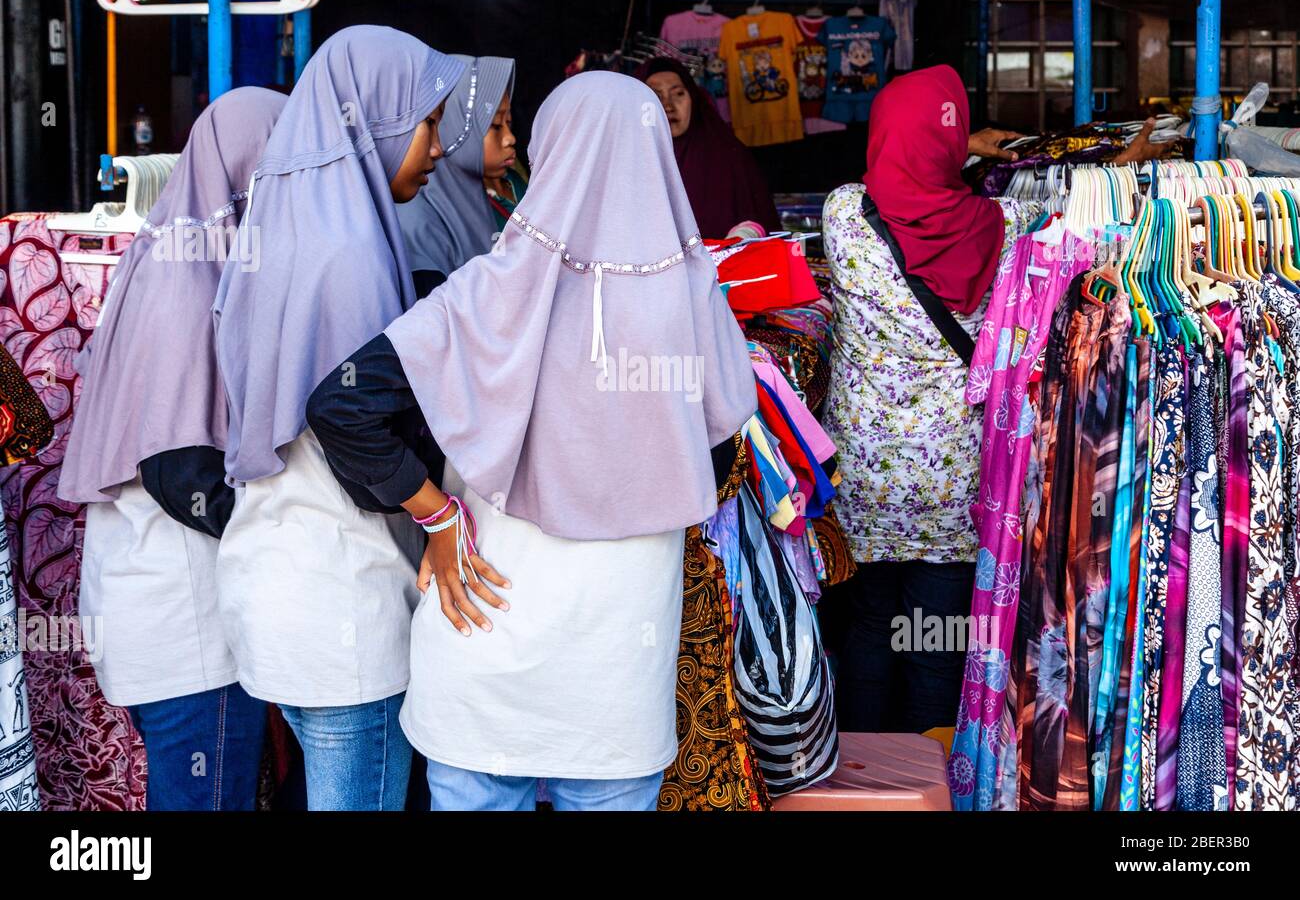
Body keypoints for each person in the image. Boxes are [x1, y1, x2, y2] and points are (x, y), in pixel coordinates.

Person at [306, 71, 757, 811]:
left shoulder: (487, 294)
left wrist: (437, 515)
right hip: (615, 684)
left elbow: (341, 407)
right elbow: (718, 459)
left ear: (549, 156)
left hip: (482, 660)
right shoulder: (694, 305)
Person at [821, 64, 1174, 735]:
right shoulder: (1005, 224)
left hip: (865, 471)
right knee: (935, 638)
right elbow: (1087, 217)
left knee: (868, 622)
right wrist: (1123, 160)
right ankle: (933, 776)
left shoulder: (844, 215)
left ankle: (865, 769)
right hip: (953, 475)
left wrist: (962, 144)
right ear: (949, 140)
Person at [210, 26, 465, 811]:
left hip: (275, 578)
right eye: (426, 123)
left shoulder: (278, 228)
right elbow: (351, 420)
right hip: (341, 600)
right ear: (376, 121)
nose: (436, 147)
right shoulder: (351, 246)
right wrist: (443, 514)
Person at [58, 86, 288, 810]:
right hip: (185, 624)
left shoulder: (173, 251)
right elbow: (176, 465)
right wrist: (290, 529)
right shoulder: (190, 283)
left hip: (155, 602)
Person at [396, 56, 521, 295]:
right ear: (452, 123)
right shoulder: (418, 221)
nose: (510, 138)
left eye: (509, 123)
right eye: (495, 125)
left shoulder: (475, 196)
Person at [638, 57, 780, 239]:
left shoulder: (728, 156)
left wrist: (743, 236)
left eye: (678, 93)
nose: (668, 105)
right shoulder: (629, 162)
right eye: (656, 96)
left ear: (693, 99)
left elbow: (763, 224)